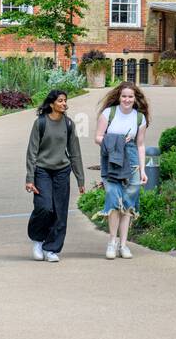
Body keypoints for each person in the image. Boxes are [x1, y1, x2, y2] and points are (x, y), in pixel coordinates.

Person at [25, 90, 86, 262]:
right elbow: (32, 152)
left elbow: (75, 153)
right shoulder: (40, 123)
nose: (64, 103)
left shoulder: (68, 124)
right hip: (42, 170)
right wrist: (30, 178)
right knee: (45, 207)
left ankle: (51, 248)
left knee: (60, 211)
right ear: (52, 104)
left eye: (65, 100)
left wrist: (80, 178)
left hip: (62, 171)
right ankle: (38, 239)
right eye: (60, 101)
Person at [94, 81, 149, 259]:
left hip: (132, 160)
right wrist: (116, 141)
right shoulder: (108, 113)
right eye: (124, 96)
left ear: (135, 98)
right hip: (111, 161)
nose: (127, 99)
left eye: (130, 96)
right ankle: (112, 242)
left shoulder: (139, 118)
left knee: (128, 203)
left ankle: (124, 245)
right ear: (119, 97)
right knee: (113, 199)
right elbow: (98, 137)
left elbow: (140, 145)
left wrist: (143, 170)